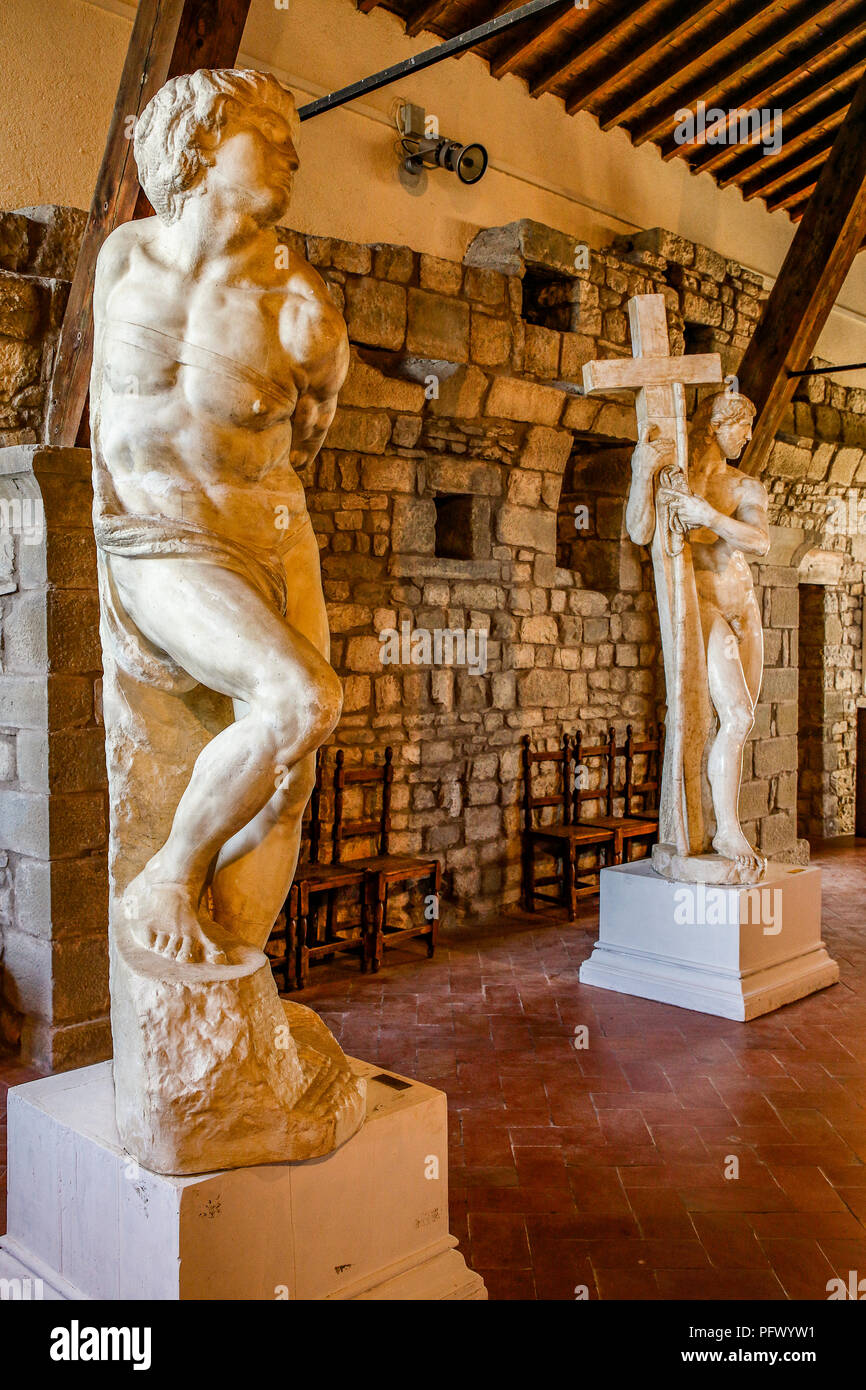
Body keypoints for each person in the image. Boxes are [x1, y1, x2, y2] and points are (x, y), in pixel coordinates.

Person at [90, 69, 349, 964]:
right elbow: (109, 424)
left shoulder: (305, 314)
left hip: (271, 537)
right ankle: (169, 875)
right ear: (198, 144)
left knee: (292, 778)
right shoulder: (124, 260)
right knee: (301, 699)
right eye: (267, 134)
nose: (291, 154)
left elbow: (304, 445)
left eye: (292, 140)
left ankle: (231, 964)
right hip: (158, 540)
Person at [626, 391, 770, 872]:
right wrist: (641, 471)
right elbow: (639, 530)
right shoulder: (675, 479)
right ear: (714, 425)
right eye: (741, 425)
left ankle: (716, 824)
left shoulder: (743, 485)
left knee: (737, 726)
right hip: (703, 606)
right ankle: (726, 831)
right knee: (737, 715)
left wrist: (708, 516)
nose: (747, 436)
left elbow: (759, 541)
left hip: (744, 608)